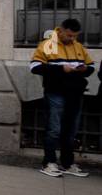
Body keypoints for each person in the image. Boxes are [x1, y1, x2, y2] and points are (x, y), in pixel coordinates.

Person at [31, 18, 94, 177]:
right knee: (54, 128)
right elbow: (35, 67)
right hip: (55, 92)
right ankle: (49, 163)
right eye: (69, 35)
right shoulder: (48, 45)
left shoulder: (79, 47)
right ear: (61, 31)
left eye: (75, 36)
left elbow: (91, 66)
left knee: (70, 130)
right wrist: (61, 69)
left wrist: (84, 69)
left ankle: (67, 163)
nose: (72, 39)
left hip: (75, 93)